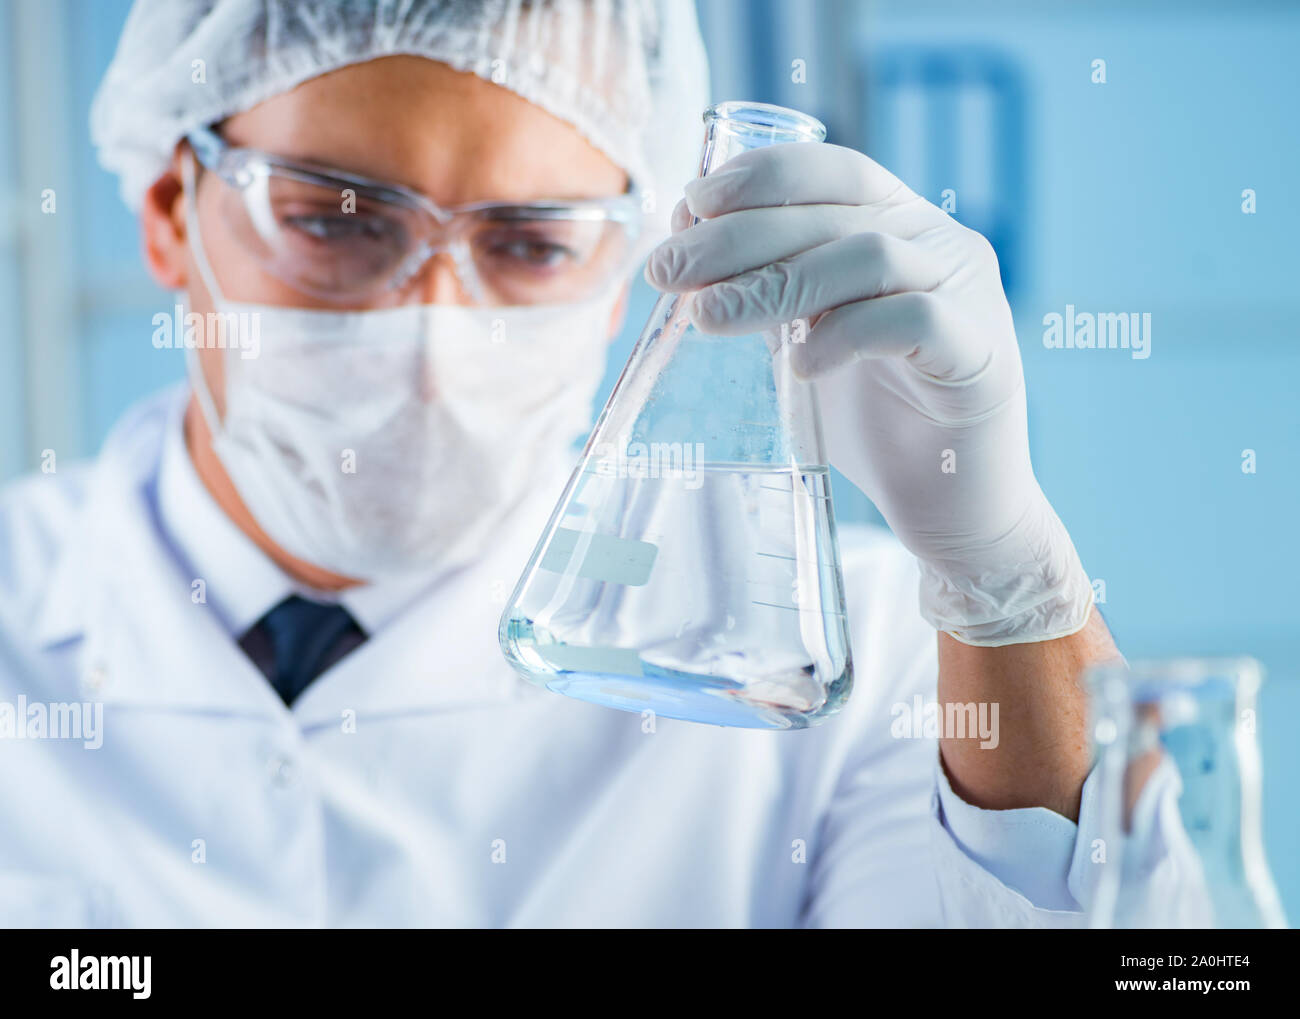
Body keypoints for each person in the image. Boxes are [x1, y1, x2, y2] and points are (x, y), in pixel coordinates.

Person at [0, 0, 1168, 927]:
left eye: (532, 243)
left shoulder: (857, 658)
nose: (434, 327)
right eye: (341, 220)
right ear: (168, 208)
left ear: (637, 268)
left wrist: (1002, 574)